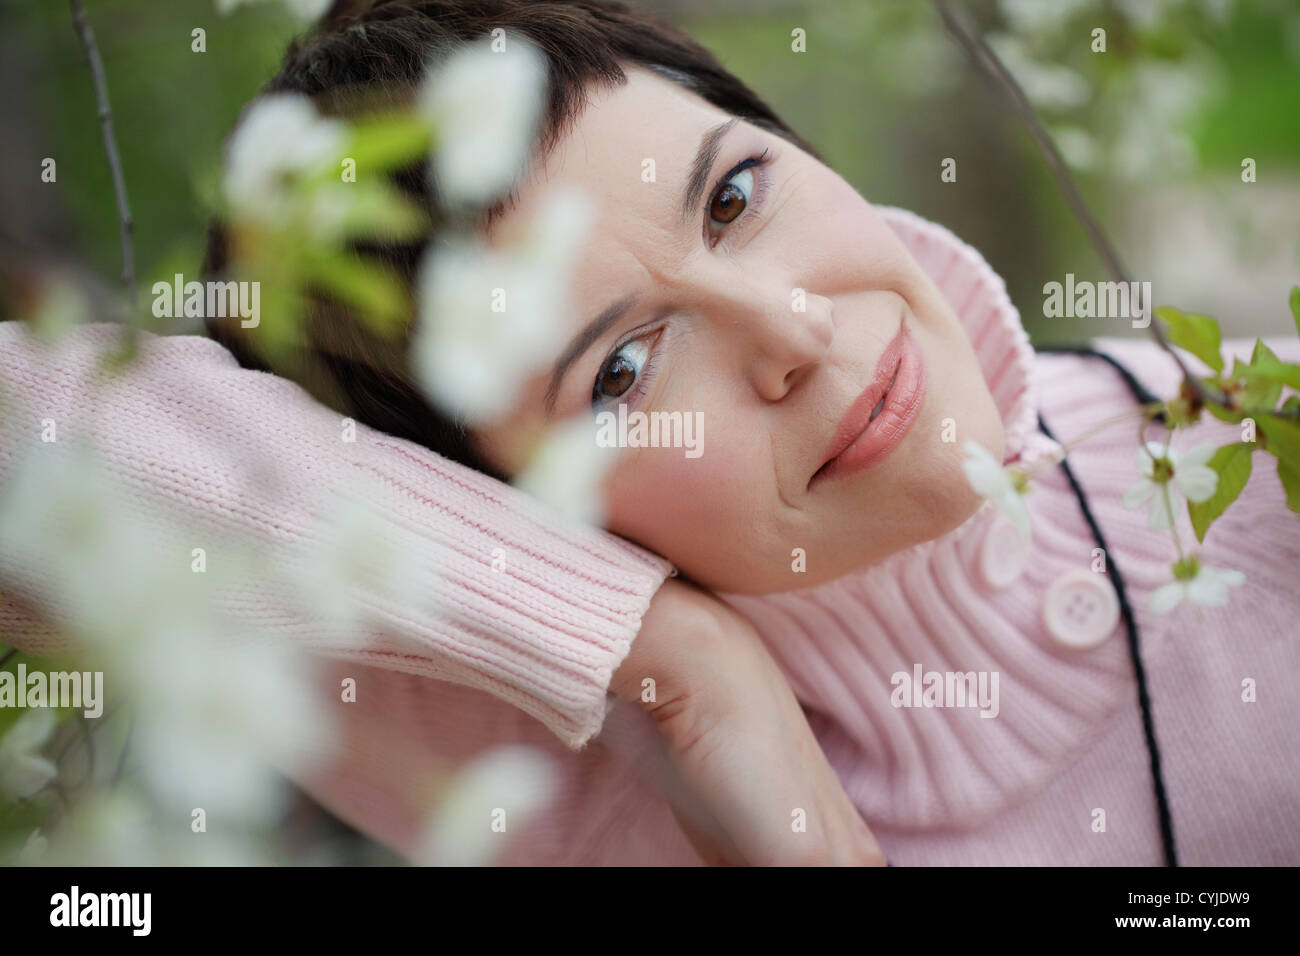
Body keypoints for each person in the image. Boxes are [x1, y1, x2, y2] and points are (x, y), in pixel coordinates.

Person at [3, 0, 1298, 865]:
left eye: (735, 195)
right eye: (621, 369)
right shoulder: (562, 763)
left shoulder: (1258, 453)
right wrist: (674, 660)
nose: (792, 331)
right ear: (509, 503)